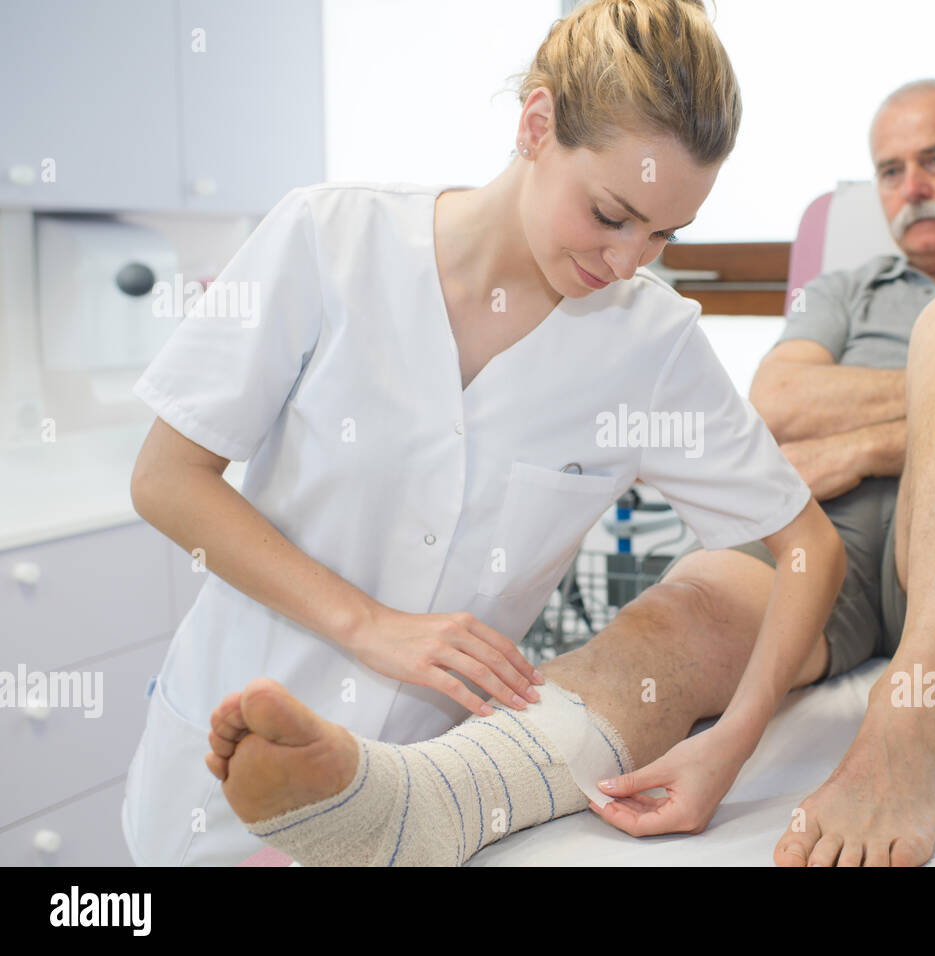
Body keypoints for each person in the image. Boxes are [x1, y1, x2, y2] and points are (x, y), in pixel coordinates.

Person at [205, 74, 935, 868]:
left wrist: (886, 410)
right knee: (676, 612)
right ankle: (427, 801)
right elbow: (778, 407)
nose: (912, 188)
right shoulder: (844, 293)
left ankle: (909, 737)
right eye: (891, 171)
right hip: (840, 535)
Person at [124, 0, 845, 866]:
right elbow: (167, 478)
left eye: (664, 233)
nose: (627, 260)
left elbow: (809, 548)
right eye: (611, 214)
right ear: (537, 125)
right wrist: (369, 624)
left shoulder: (650, 345)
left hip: (406, 801)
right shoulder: (332, 239)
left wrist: (731, 742)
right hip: (218, 756)